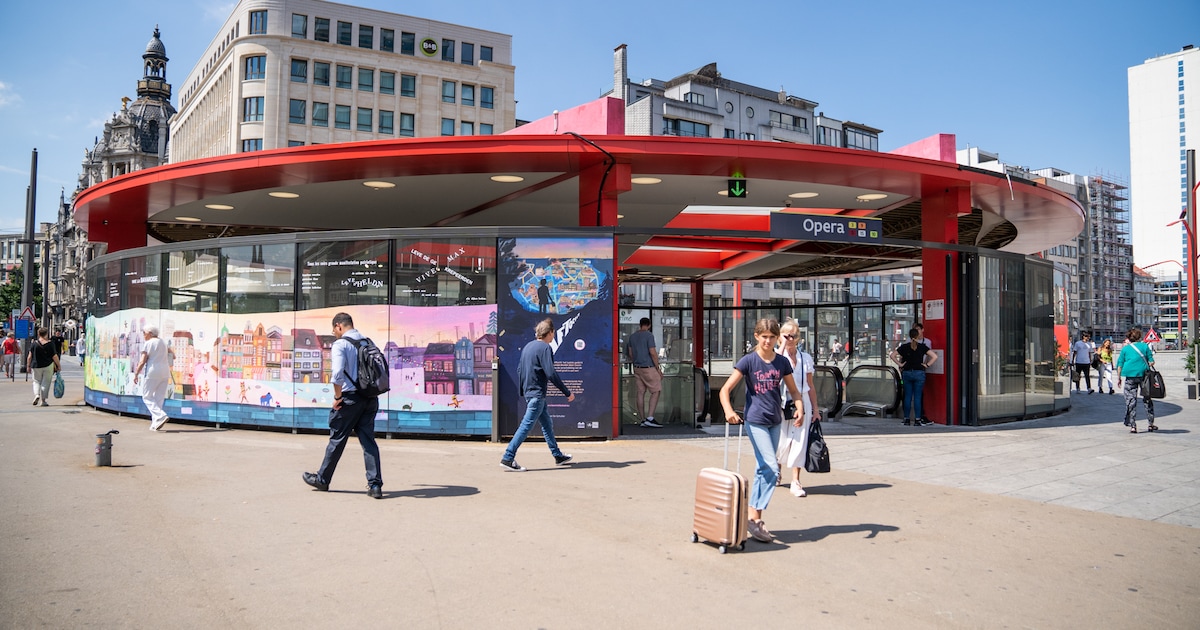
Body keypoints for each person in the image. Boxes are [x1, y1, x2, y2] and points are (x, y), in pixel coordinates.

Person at [719, 318, 804, 543]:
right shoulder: (748, 361)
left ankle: (755, 520)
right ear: (756, 336)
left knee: (762, 470)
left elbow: (795, 391)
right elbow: (725, 390)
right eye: (764, 336)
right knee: (771, 468)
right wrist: (728, 411)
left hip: (775, 421)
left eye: (772, 337)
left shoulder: (782, 363)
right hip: (755, 420)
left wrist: (800, 408)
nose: (768, 341)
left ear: (777, 339)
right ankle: (752, 514)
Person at [304, 313, 384, 498]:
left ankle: (322, 480)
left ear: (339, 326)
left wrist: (337, 397)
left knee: (337, 439)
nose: (334, 333)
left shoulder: (341, 344)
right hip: (370, 398)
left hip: (349, 399)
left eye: (334, 330)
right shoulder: (367, 342)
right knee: (368, 442)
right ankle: (375, 486)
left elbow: (337, 373)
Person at [501, 318, 575, 471]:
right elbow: (551, 372)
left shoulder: (528, 347)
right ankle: (508, 457)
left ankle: (558, 456)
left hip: (531, 393)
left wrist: (524, 391)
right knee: (526, 426)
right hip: (537, 394)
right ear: (551, 333)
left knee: (547, 424)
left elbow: (520, 370)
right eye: (553, 332)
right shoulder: (545, 348)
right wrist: (567, 392)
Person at [777, 319, 821, 498]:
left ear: (798, 338)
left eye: (793, 335)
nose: (790, 339)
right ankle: (776, 470)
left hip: (802, 401)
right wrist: (781, 345)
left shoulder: (805, 358)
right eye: (786, 335)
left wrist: (815, 409)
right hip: (781, 400)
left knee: (799, 441)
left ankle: (795, 480)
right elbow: (773, 367)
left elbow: (810, 385)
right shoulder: (776, 355)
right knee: (780, 439)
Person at [889, 327, 937, 426]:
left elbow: (892, 355)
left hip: (907, 373)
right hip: (919, 373)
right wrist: (926, 365)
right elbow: (934, 356)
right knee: (918, 397)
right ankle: (918, 420)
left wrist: (900, 364)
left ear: (910, 336)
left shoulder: (904, 347)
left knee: (908, 396)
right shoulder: (922, 347)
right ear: (918, 336)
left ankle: (906, 419)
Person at [1115, 327, 1156, 434]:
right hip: (1144, 376)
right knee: (1147, 399)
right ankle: (1150, 424)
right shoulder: (1145, 347)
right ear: (1139, 337)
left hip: (1130, 377)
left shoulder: (1125, 349)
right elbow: (1152, 362)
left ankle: (1133, 425)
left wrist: (1119, 378)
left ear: (1128, 338)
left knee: (1131, 401)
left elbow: (1119, 365)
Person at [132, 325, 172, 430]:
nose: (143, 335)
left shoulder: (148, 343)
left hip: (152, 372)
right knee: (159, 398)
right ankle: (155, 424)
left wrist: (136, 374)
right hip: (165, 372)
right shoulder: (163, 342)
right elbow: (173, 355)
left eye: (144, 333)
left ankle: (160, 415)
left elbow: (142, 361)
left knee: (146, 396)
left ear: (150, 333)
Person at [626, 317, 663, 428]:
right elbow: (652, 352)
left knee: (640, 393)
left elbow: (631, 354)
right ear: (649, 325)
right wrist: (658, 368)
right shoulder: (649, 336)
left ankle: (642, 419)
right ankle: (650, 418)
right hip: (648, 367)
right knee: (656, 391)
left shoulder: (632, 337)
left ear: (640, 324)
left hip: (637, 368)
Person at [27, 327, 61, 406]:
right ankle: (43, 401)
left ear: (38, 334)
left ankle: (37, 395)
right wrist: (58, 365)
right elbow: (54, 356)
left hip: (36, 365)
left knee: (36, 381)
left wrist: (28, 366)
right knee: (46, 382)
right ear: (46, 334)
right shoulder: (50, 344)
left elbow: (29, 356)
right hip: (48, 365)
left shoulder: (34, 344)